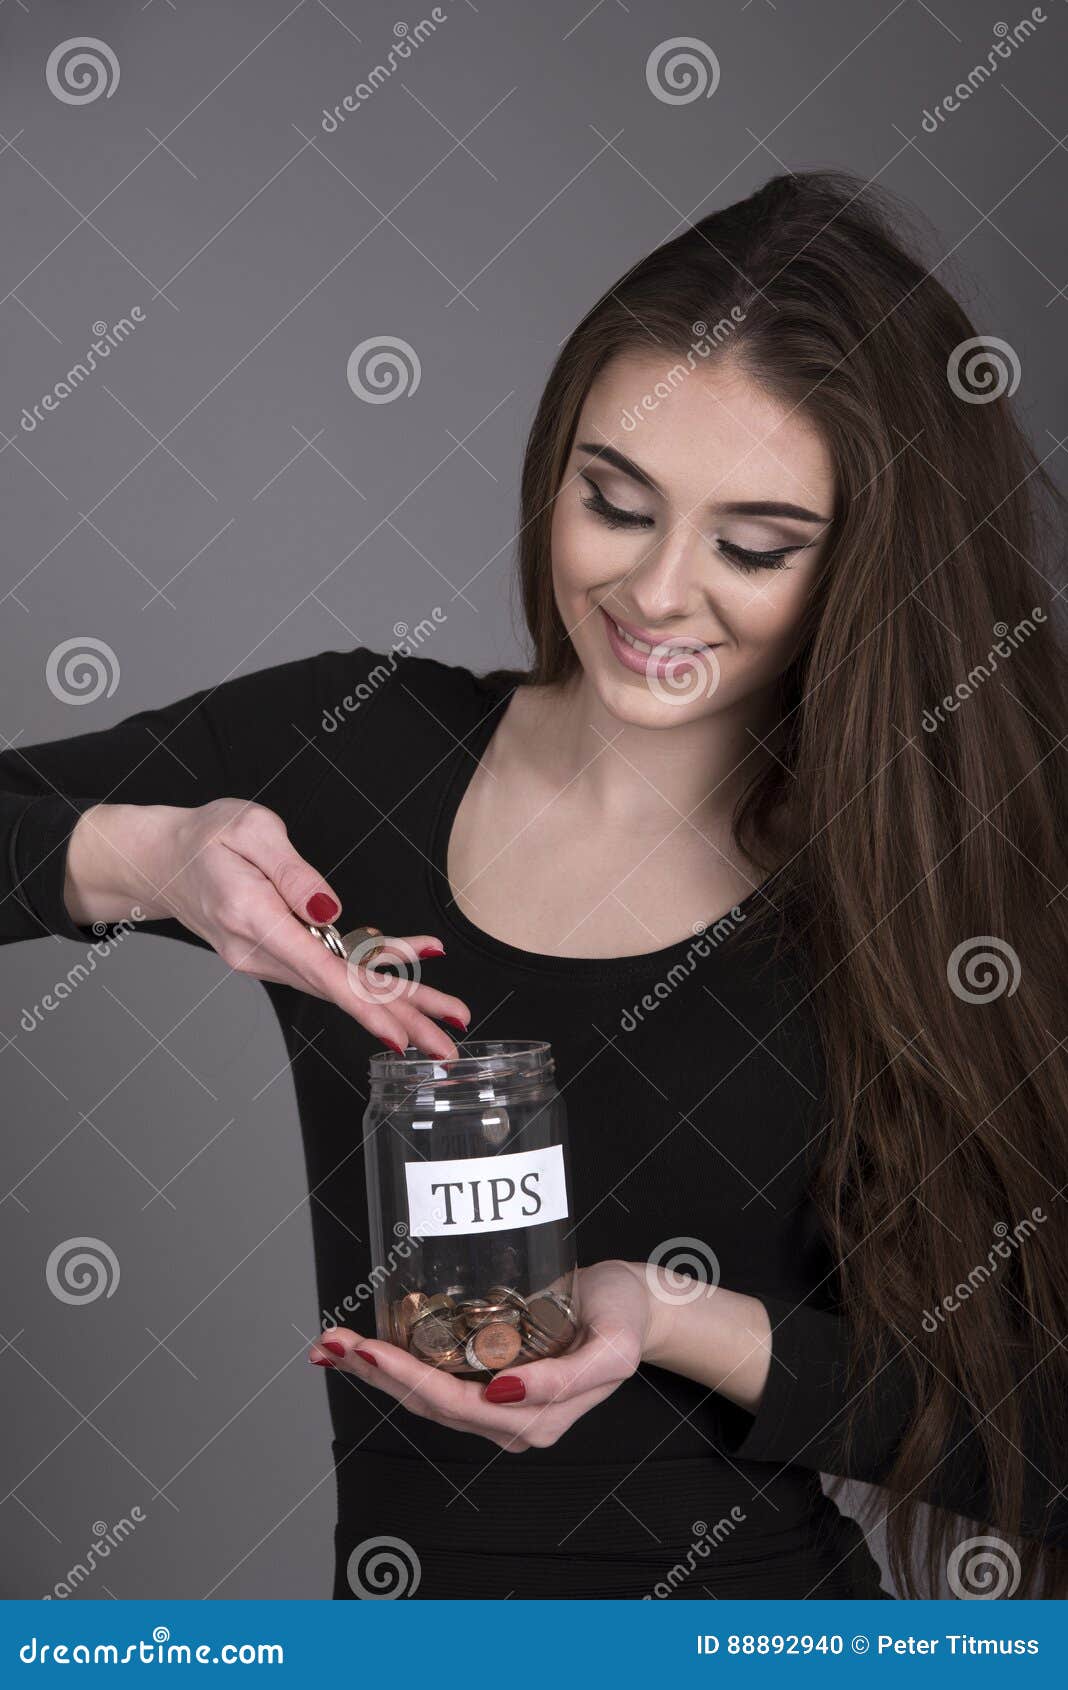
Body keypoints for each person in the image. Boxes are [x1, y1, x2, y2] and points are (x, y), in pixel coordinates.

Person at [3, 170, 1066, 1601]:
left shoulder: (924, 881)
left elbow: (1033, 1434)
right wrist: (140, 856)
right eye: (614, 503)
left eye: (754, 546)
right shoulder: (350, 753)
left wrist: (673, 1317)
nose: (658, 592)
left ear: (861, 567)